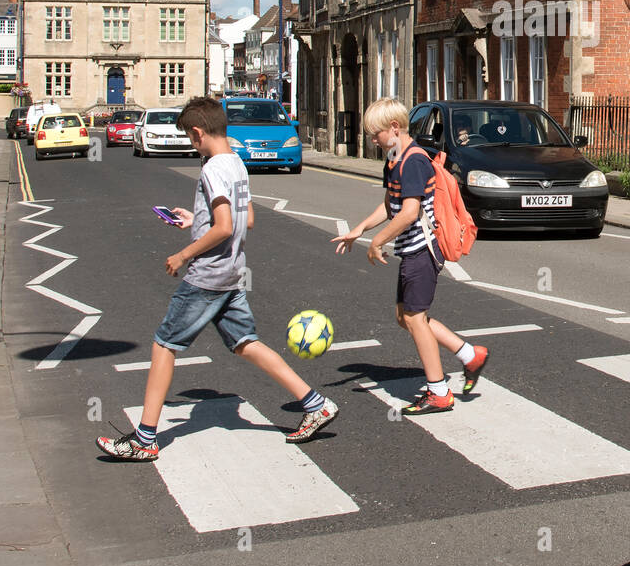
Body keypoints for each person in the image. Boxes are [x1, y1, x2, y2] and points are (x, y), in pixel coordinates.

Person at [95, 96, 336, 461]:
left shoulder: (211, 169)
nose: (193, 147)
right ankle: (315, 404)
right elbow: (246, 219)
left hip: (208, 275)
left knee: (164, 345)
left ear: (198, 132)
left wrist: (183, 254)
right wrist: (197, 221)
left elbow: (225, 226)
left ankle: (145, 439)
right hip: (233, 271)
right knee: (245, 342)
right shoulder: (236, 162)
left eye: (191, 140)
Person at [335, 97, 487, 414]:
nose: (372, 140)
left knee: (415, 318)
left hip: (423, 250)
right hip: (411, 251)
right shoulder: (394, 159)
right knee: (405, 317)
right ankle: (470, 355)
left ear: (394, 128)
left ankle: (438, 392)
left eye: (375, 134)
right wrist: (360, 229)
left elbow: (409, 211)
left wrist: (378, 242)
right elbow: (391, 203)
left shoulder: (413, 161)